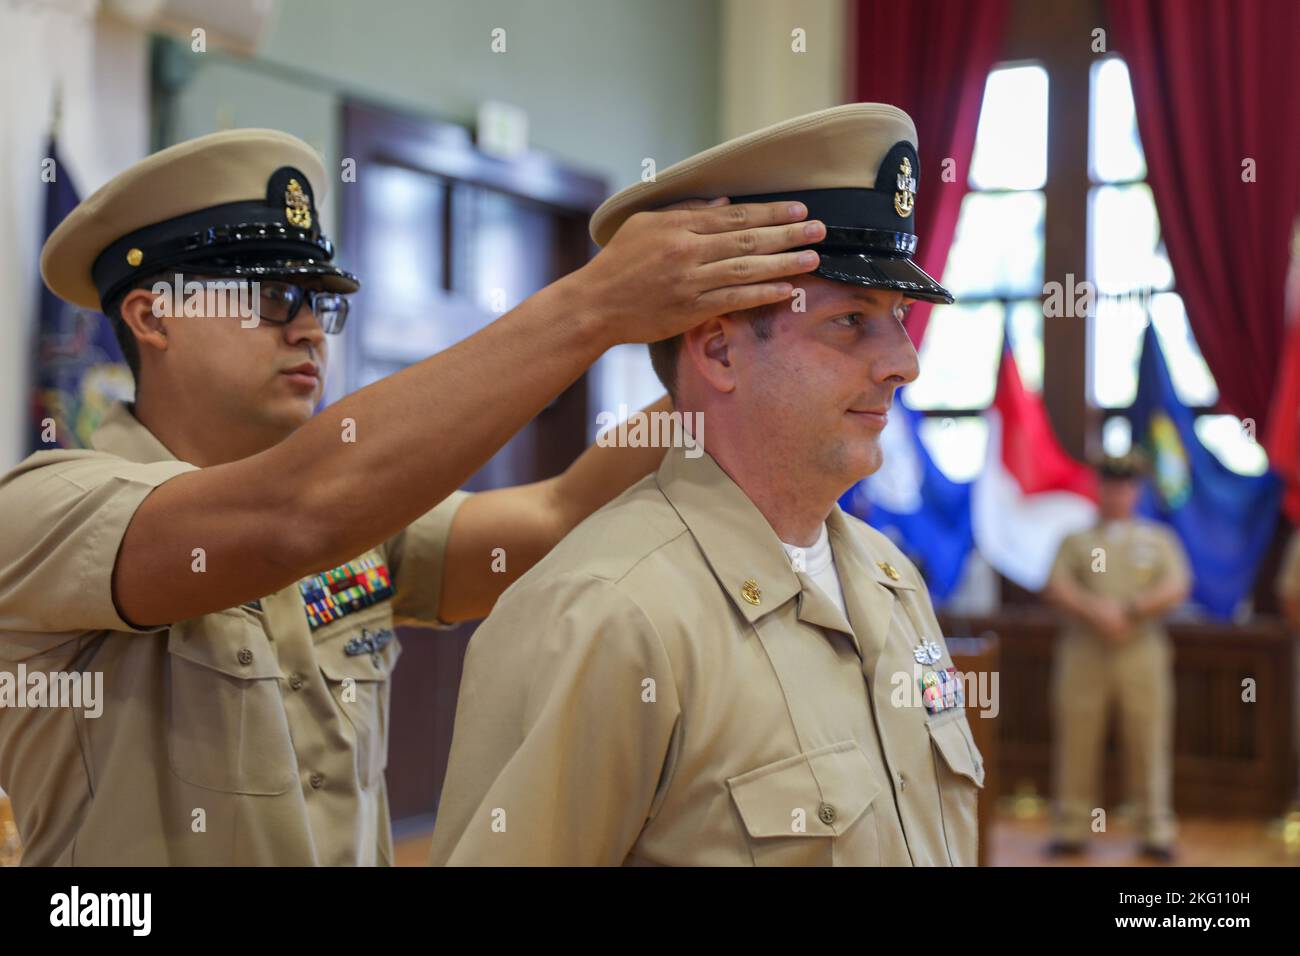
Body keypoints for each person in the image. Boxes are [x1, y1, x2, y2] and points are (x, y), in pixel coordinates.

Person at [0, 127, 823, 865]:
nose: (311, 329)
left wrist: (738, 376)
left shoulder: (348, 520)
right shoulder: (48, 508)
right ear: (153, 315)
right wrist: (597, 303)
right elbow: (292, 519)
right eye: (273, 297)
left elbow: (558, 516)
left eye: (321, 303)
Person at [428, 103, 988, 866]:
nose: (903, 362)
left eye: (898, 317)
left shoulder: (891, 582)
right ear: (719, 350)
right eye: (852, 320)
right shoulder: (607, 613)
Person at [1043, 452, 1191, 862]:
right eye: (1110, 486)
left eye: (1125, 487)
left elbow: (1178, 584)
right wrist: (1097, 611)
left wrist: (1130, 609)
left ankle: (1155, 829)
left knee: (1148, 740)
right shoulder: (1076, 540)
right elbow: (1056, 585)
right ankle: (1071, 825)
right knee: (1077, 738)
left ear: (1136, 492)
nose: (1117, 494)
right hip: (1084, 651)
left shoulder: (1159, 539)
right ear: (1100, 489)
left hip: (1141, 652)